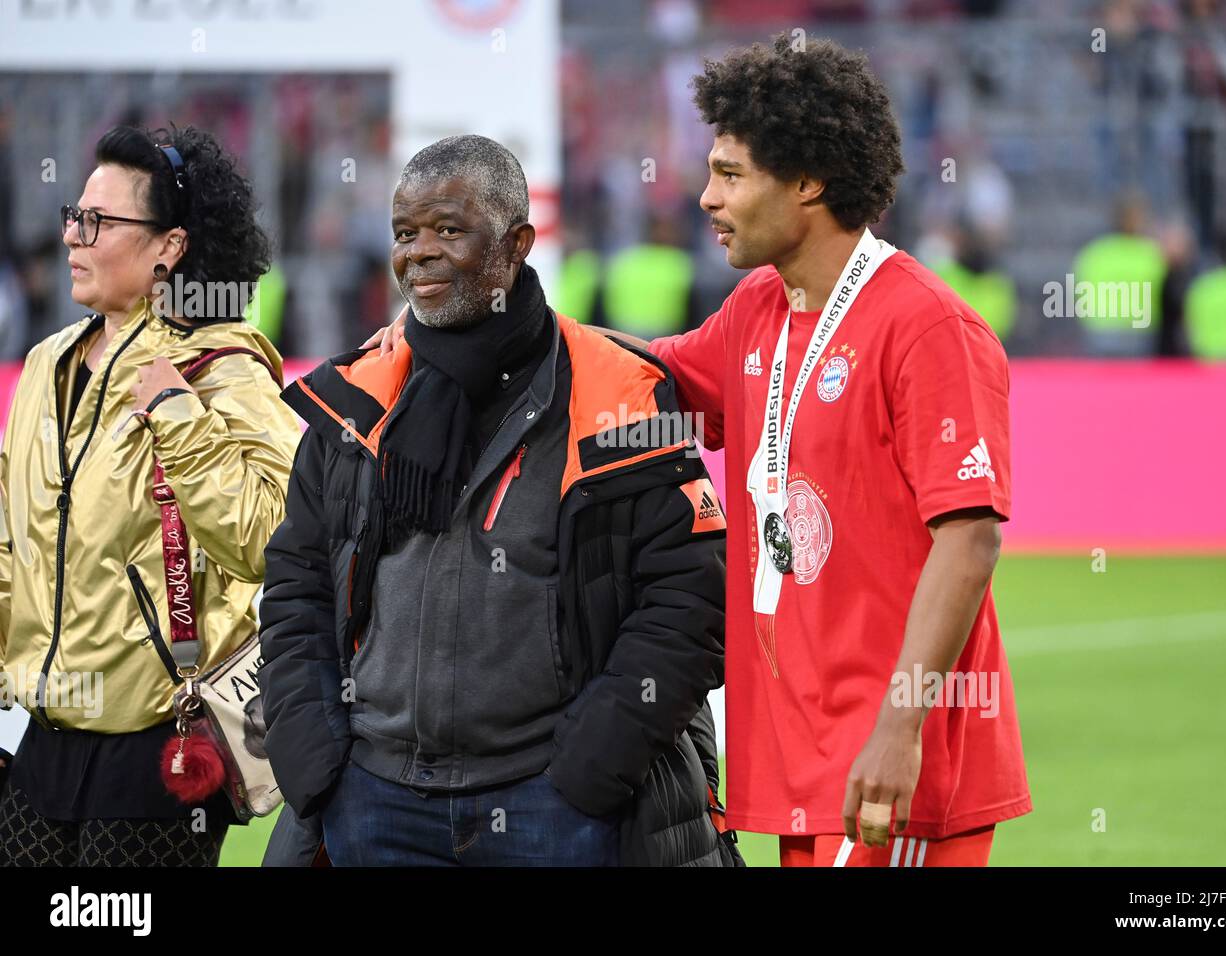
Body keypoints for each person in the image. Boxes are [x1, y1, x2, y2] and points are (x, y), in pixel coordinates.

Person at [375, 35, 1032, 867]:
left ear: (807, 182)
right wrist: (471, 324)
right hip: (807, 758)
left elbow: (971, 539)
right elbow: (635, 382)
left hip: (890, 764)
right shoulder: (760, 309)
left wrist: (900, 728)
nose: (706, 198)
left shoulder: (927, 326)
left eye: (730, 174)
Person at [258, 135, 732, 867]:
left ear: (516, 246)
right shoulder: (355, 394)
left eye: (449, 230)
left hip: (556, 805)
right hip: (373, 800)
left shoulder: (620, 391)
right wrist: (315, 759)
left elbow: (692, 596)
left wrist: (594, 763)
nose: (420, 253)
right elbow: (296, 586)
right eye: (405, 233)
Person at [0, 124, 301, 866]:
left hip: (161, 750)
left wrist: (177, 416)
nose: (72, 235)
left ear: (168, 247)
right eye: (75, 214)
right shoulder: (45, 362)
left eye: (98, 222)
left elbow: (272, 536)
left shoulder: (223, 365)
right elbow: (13, 540)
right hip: (42, 740)